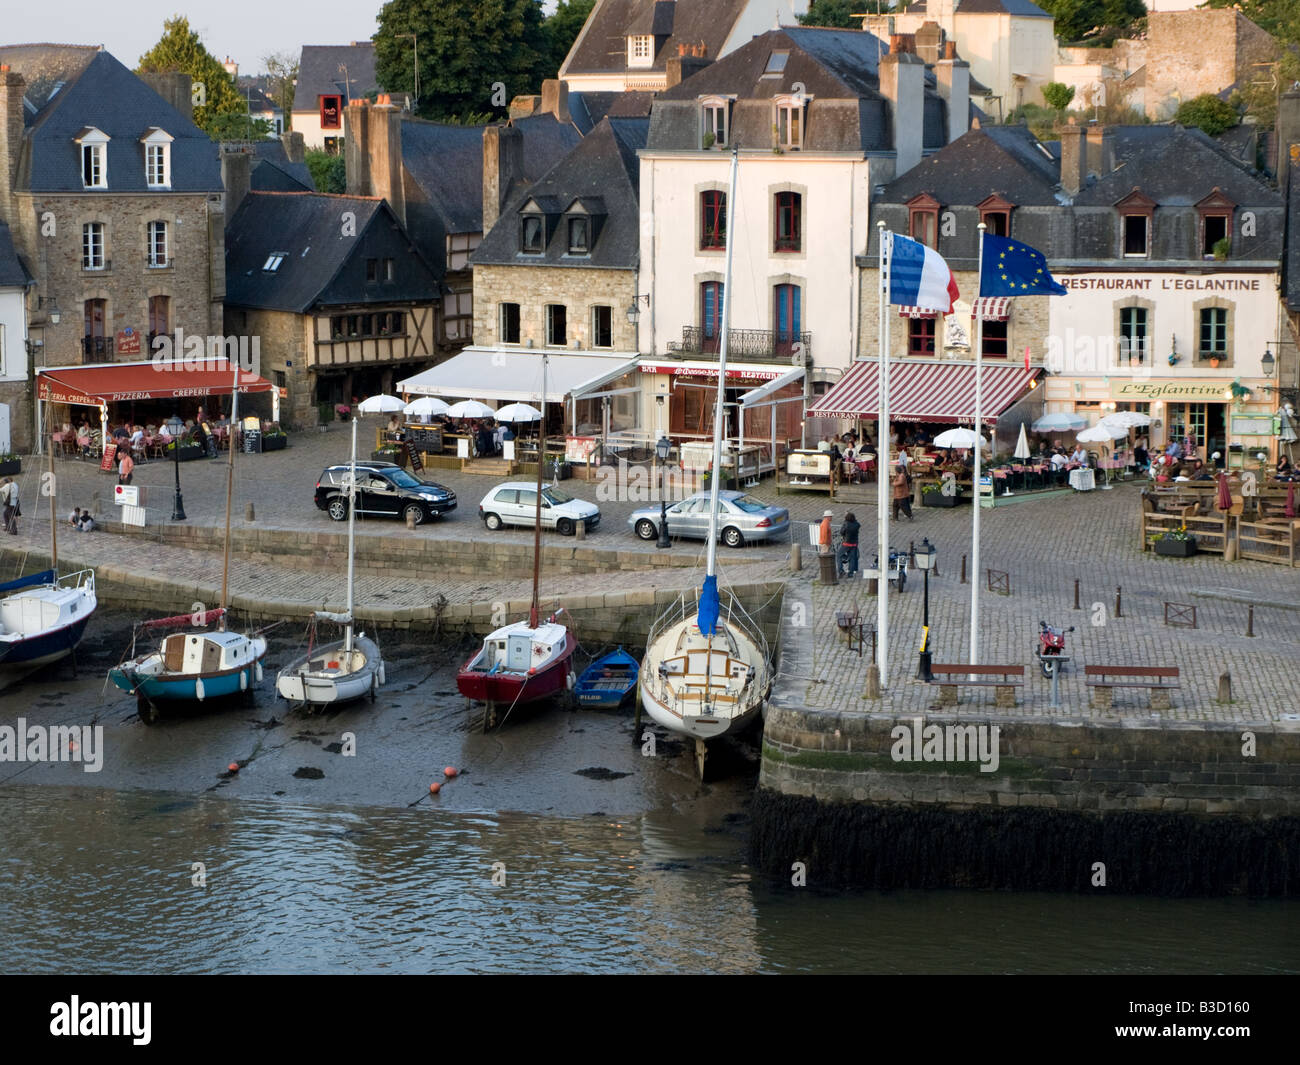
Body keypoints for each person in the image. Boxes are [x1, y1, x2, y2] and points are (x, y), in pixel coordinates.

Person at [838, 512, 860, 577]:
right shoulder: (857, 525)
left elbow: (841, 532)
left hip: (846, 543)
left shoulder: (846, 524)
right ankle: (850, 573)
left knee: (839, 556)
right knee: (852, 558)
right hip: (854, 544)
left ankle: (841, 570)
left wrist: (845, 523)